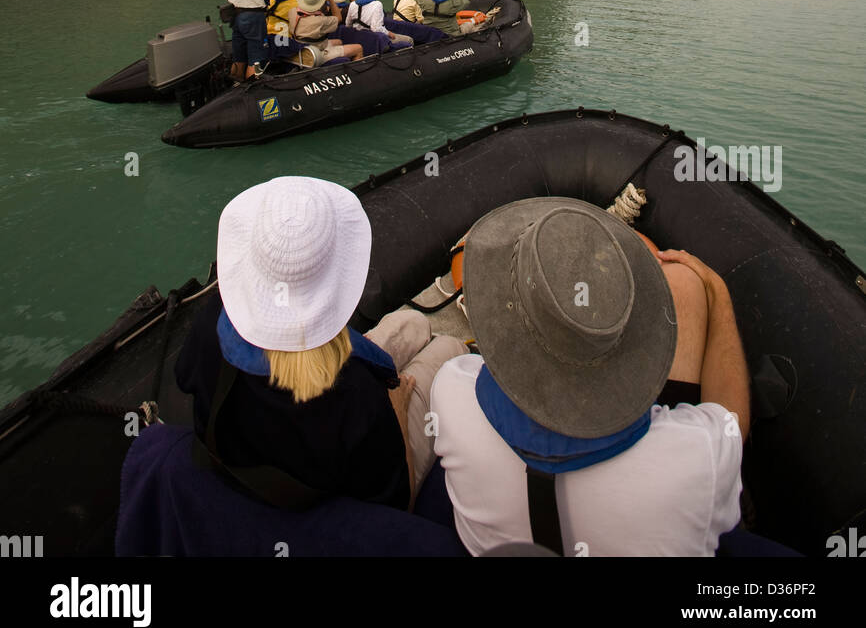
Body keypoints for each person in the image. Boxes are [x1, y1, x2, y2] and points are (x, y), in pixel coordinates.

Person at [430, 198, 748, 557]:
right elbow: (731, 425)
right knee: (686, 283)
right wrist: (719, 294)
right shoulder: (694, 462)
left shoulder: (452, 389)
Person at [175, 176, 466, 509]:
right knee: (450, 348)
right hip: (359, 437)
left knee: (412, 323)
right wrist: (397, 409)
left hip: (312, 392)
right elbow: (394, 498)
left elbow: (186, 377)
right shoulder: (358, 396)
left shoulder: (211, 322)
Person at [288, 0, 364, 66]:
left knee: (339, 41)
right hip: (317, 54)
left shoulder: (292, 12)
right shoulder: (321, 20)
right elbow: (338, 18)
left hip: (299, 48)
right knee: (358, 48)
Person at [346, 0, 413, 49]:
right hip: (373, 40)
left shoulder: (352, 5)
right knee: (409, 40)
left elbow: (348, 25)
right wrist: (388, 33)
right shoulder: (377, 4)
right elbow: (376, 28)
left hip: (358, 39)